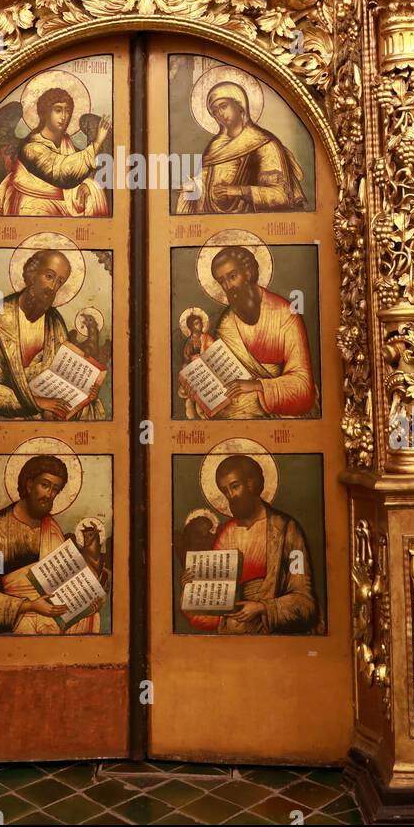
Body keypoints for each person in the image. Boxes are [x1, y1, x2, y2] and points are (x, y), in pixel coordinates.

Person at [183, 454, 320, 634]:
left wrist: (262, 608)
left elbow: (304, 601)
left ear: (252, 483)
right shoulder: (226, 534)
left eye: (235, 486)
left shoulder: (286, 529)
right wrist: (193, 588)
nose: (231, 496)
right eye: (225, 491)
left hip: (275, 639)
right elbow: (214, 603)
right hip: (231, 638)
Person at [0, 454, 106, 634]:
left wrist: (87, 600)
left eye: (55, 489)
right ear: (29, 484)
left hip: (52, 614)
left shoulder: (52, 528)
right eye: (45, 485)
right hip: (20, 620)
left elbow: (65, 582)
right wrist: (30, 605)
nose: (49, 495)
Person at [0, 248, 105, 420]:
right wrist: (36, 402)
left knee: (90, 408)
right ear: (32, 274)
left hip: (46, 404)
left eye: (59, 282)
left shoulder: (55, 321)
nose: (52, 287)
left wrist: (85, 391)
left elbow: (62, 375)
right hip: (11, 408)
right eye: (49, 276)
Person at [190, 245, 315, 419]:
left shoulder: (285, 314)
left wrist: (258, 386)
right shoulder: (227, 322)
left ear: (248, 273)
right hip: (238, 412)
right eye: (222, 282)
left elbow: (303, 386)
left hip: (279, 413)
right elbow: (222, 378)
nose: (228, 286)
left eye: (232, 277)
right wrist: (199, 383)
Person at [178, 81, 306, 214]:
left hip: (252, 221)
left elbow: (282, 195)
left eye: (223, 106)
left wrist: (240, 191)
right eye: (214, 111)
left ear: (239, 105)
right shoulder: (215, 146)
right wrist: (194, 187)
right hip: (213, 221)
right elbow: (208, 183)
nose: (219, 114)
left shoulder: (264, 143)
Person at [0, 87, 110, 217]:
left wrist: (87, 184)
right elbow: (62, 171)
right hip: (31, 201)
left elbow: (84, 171)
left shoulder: (68, 145)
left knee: (90, 197)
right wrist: (97, 143)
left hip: (62, 202)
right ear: (45, 113)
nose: (64, 116)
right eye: (58, 110)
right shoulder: (31, 148)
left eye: (68, 111)